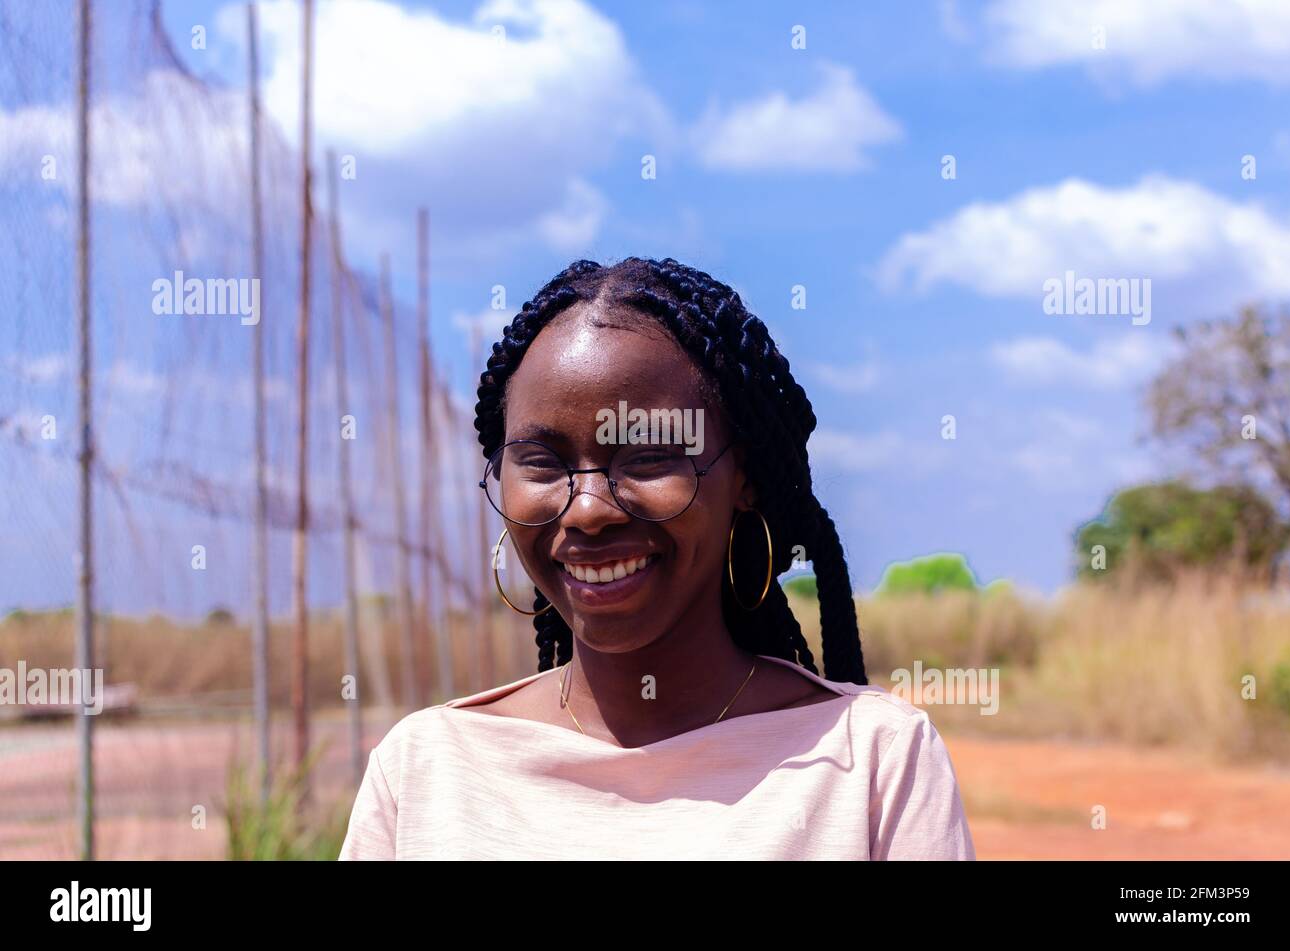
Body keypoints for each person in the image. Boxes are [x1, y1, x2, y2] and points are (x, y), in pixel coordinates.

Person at [339, 257, 975, 860]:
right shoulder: (427, 772)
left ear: (744, 477)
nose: (588, 509)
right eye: (541, 462)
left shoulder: (872, 763)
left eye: (647, 457)